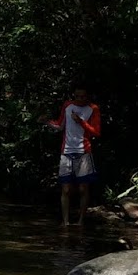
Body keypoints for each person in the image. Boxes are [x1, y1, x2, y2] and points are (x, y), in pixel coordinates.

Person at [48, 86, 100, 225]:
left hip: (84, 151)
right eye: (78, 96)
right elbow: (60, 125)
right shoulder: (67, 105)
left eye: (83, 96)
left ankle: (81, 221)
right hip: (67, 151)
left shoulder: (93, 108)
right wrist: (47, 122)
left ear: (87, 96)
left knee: (83, 188)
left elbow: (96, 132)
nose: (81, 99)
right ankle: (66, 222)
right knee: (66, 189)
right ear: (74, 96)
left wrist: (81, 122)